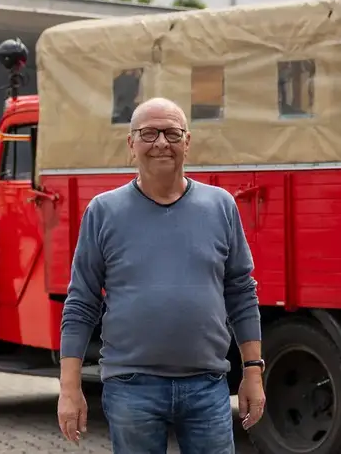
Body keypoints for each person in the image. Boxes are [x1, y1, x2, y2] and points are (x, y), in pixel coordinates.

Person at [56, 97, 266, 453]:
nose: (161, 143)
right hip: (131, 387)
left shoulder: (221, 207)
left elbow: (241, 293)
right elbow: (81, 303)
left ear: (187, 141)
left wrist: (253, 373)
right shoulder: (103, 213)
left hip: (207, 385)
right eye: (149, 133)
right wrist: (69, 387)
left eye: (171, 133)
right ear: (131, 143)